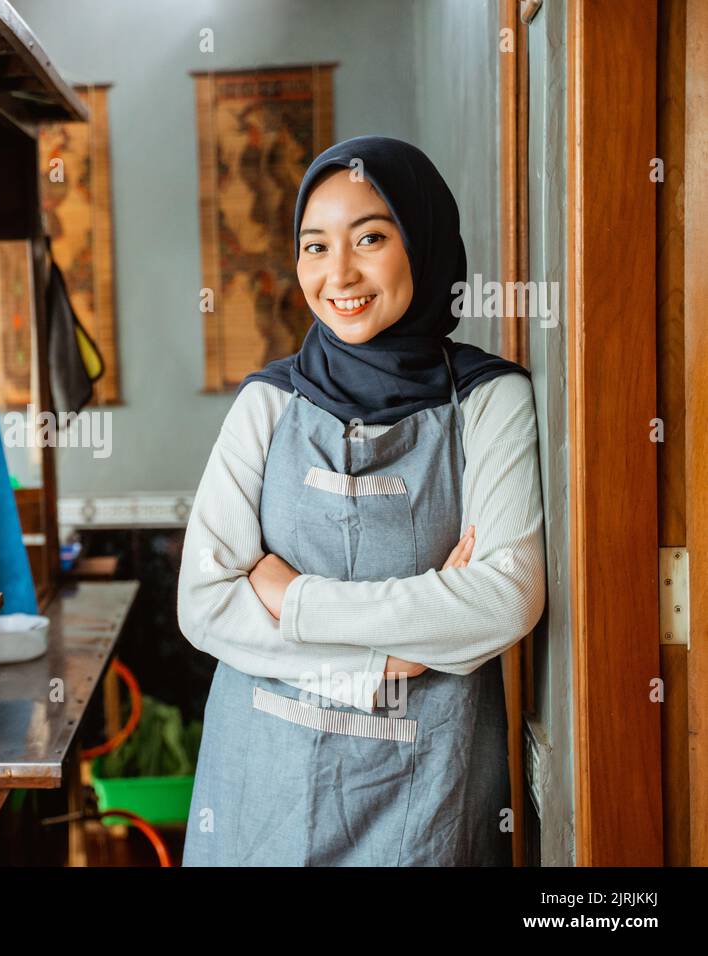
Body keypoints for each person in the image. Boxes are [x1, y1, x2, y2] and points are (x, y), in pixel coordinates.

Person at [178, 135, 547, 866]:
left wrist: (296, 600)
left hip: (426, 796)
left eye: (371, 238)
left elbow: (505, 598)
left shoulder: (490, 400)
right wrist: (386, 656)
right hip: (260, 791)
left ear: (425, 242)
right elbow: (204, 602)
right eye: (314, 247)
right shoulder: (267, 402)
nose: (338, 273)